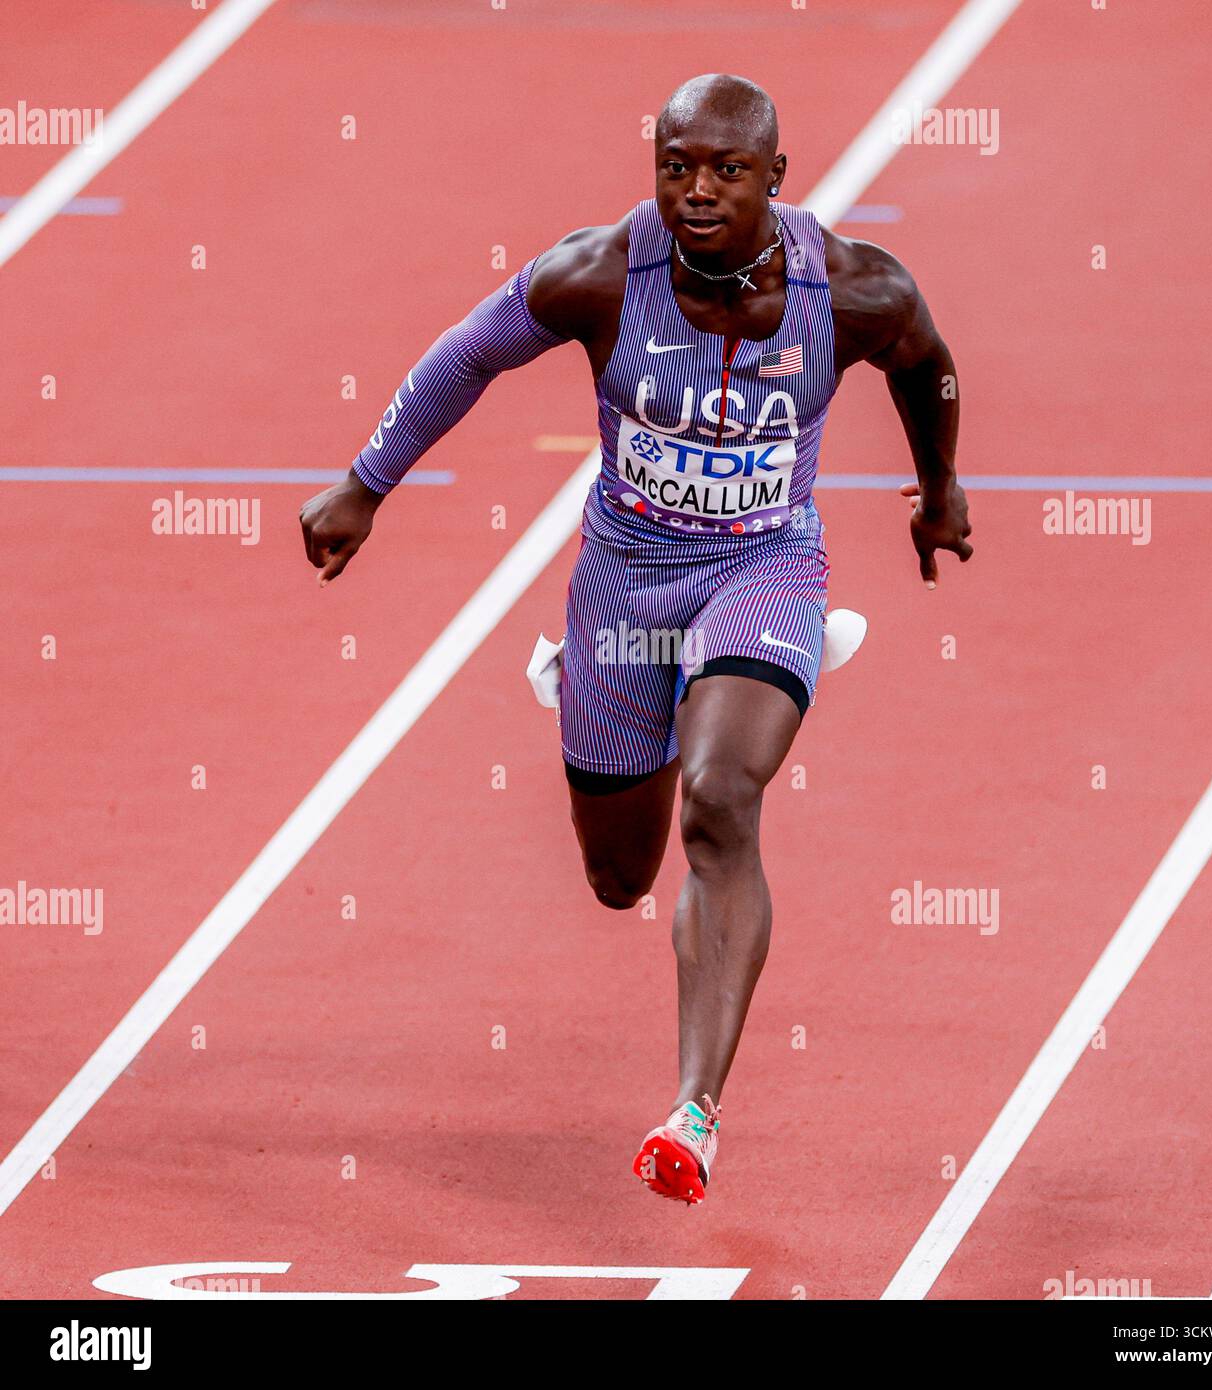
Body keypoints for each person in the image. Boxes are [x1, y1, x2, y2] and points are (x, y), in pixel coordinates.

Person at [299, 73, 973, 1205]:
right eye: (675, 167)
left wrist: (939, 490)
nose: (696, 191)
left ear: (776, 175)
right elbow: (467, 354)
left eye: (724, 169)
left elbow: (929, 364)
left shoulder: (853, 290)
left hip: (764, 562)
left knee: (721, 798)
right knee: (618, 876)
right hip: (627, 580)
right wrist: (364, 484)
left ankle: (692, 1114)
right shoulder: (600, 274)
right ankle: (613, 682)